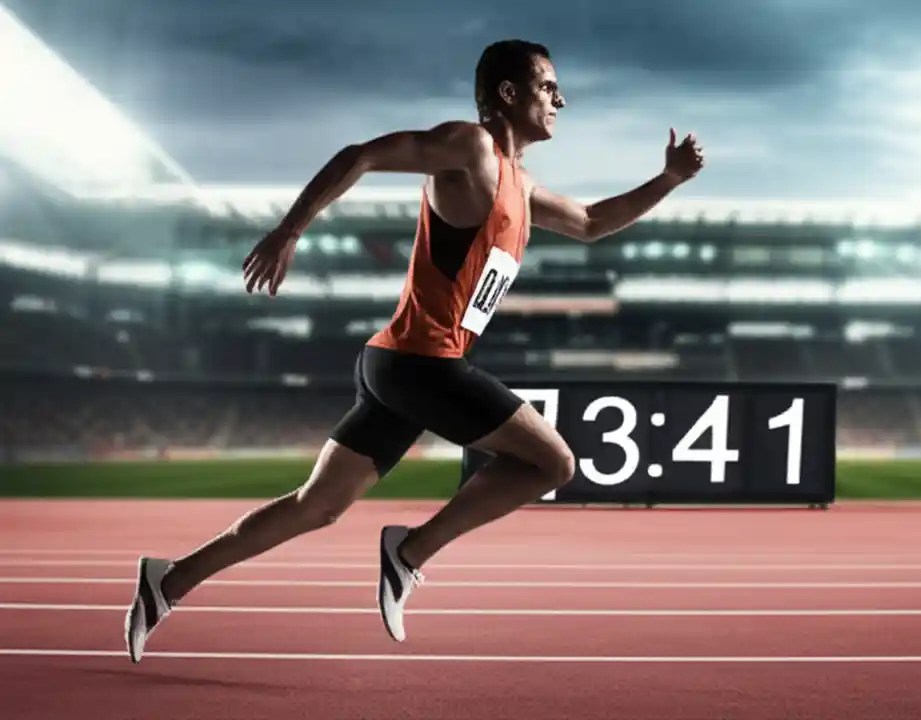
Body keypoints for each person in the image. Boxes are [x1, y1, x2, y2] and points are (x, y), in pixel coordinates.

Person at [124, 39, 704, 663]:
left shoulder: (519, 182)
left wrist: (668, 180)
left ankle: (170, 579)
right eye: (547, 86)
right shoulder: (470, 146)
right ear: (508, 94)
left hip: (397, 366)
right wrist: (290, 229)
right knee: (553, 464)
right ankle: (410, 551)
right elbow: (363, 155)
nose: (560, 99)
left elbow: (591, 221)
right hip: (422, 364)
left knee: (315, 506)